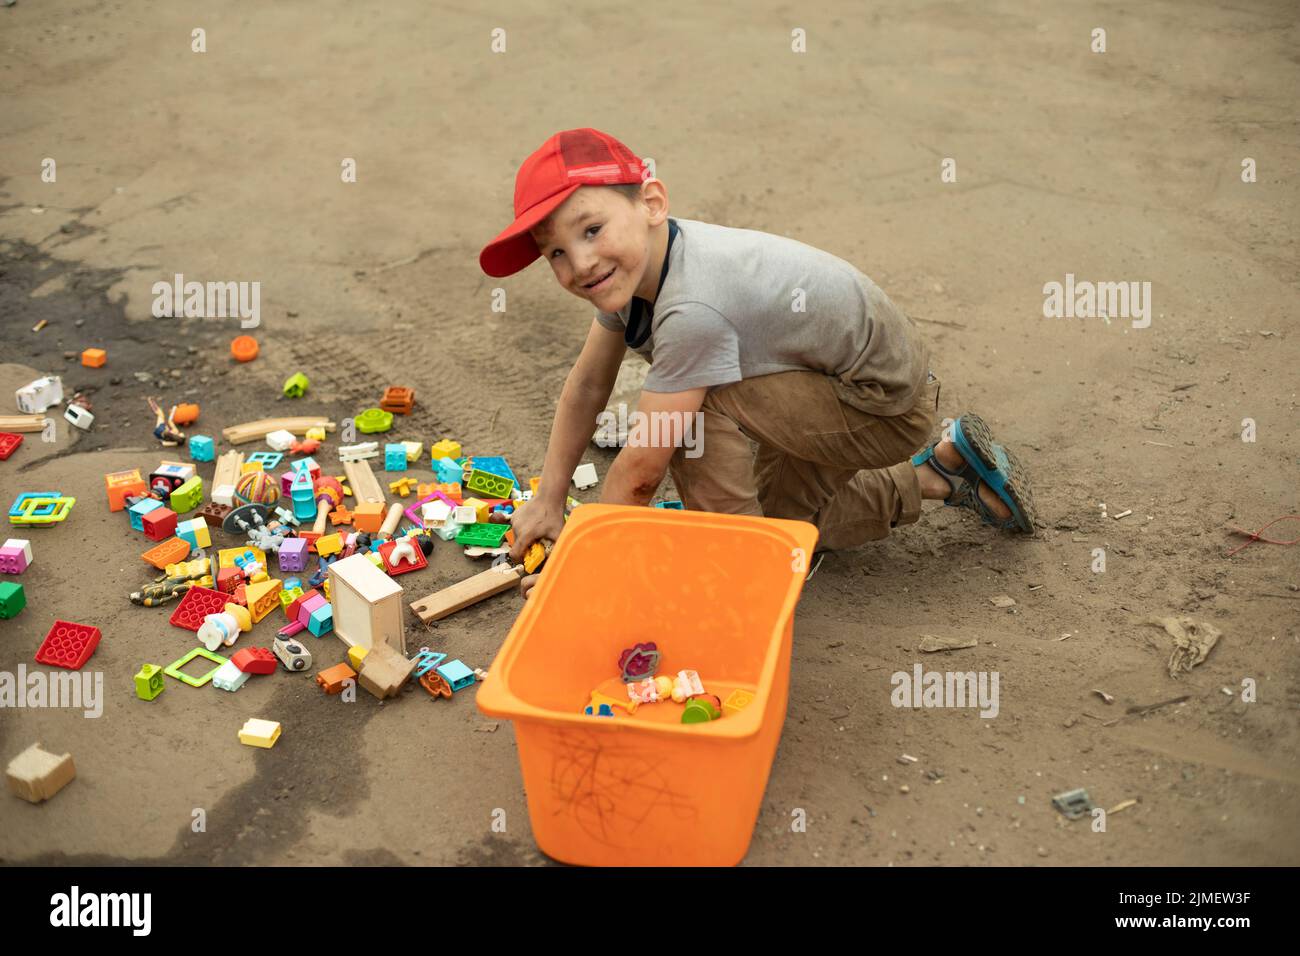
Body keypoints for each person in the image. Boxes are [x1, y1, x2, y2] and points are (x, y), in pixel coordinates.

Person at [479, 129, 1036, 596]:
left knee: (687, 406)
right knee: (786, 528)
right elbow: (586, 387)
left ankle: (740, 568)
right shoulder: (641, 269)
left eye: (592, 230)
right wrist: (549, 498)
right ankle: (939, 473)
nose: (580, 263)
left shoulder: (692, 305)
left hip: (877, 406)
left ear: (651, 203)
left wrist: (586, 562)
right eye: (555, 251)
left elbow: (643, 472)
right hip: (841, 385)